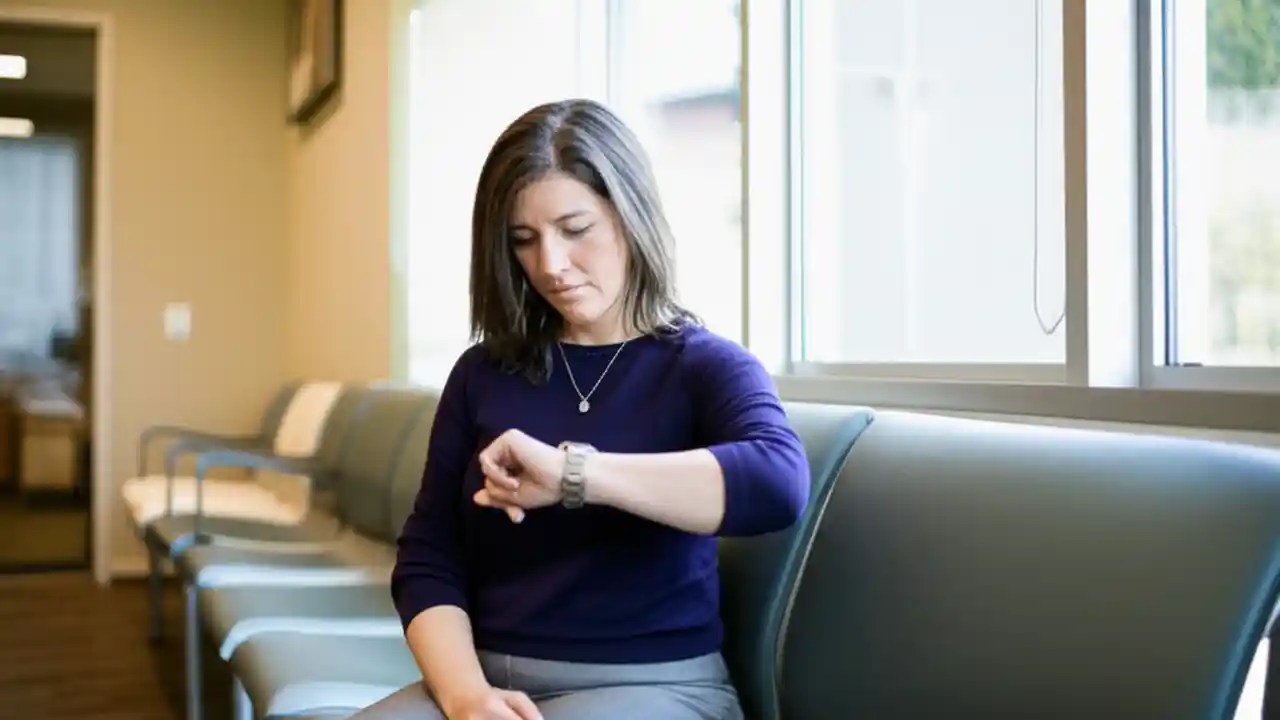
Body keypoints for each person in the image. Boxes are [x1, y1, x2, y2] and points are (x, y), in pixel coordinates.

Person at [355, 98, 810, 720]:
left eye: (575, 230)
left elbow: (776, 484)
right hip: (482, 683)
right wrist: (465, 698)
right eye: (524, 241)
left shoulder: (705, 365)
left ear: (631, 217)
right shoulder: (482, 374)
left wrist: (575, 476)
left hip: (652, 688)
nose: (551, 265)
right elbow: (430, 553)